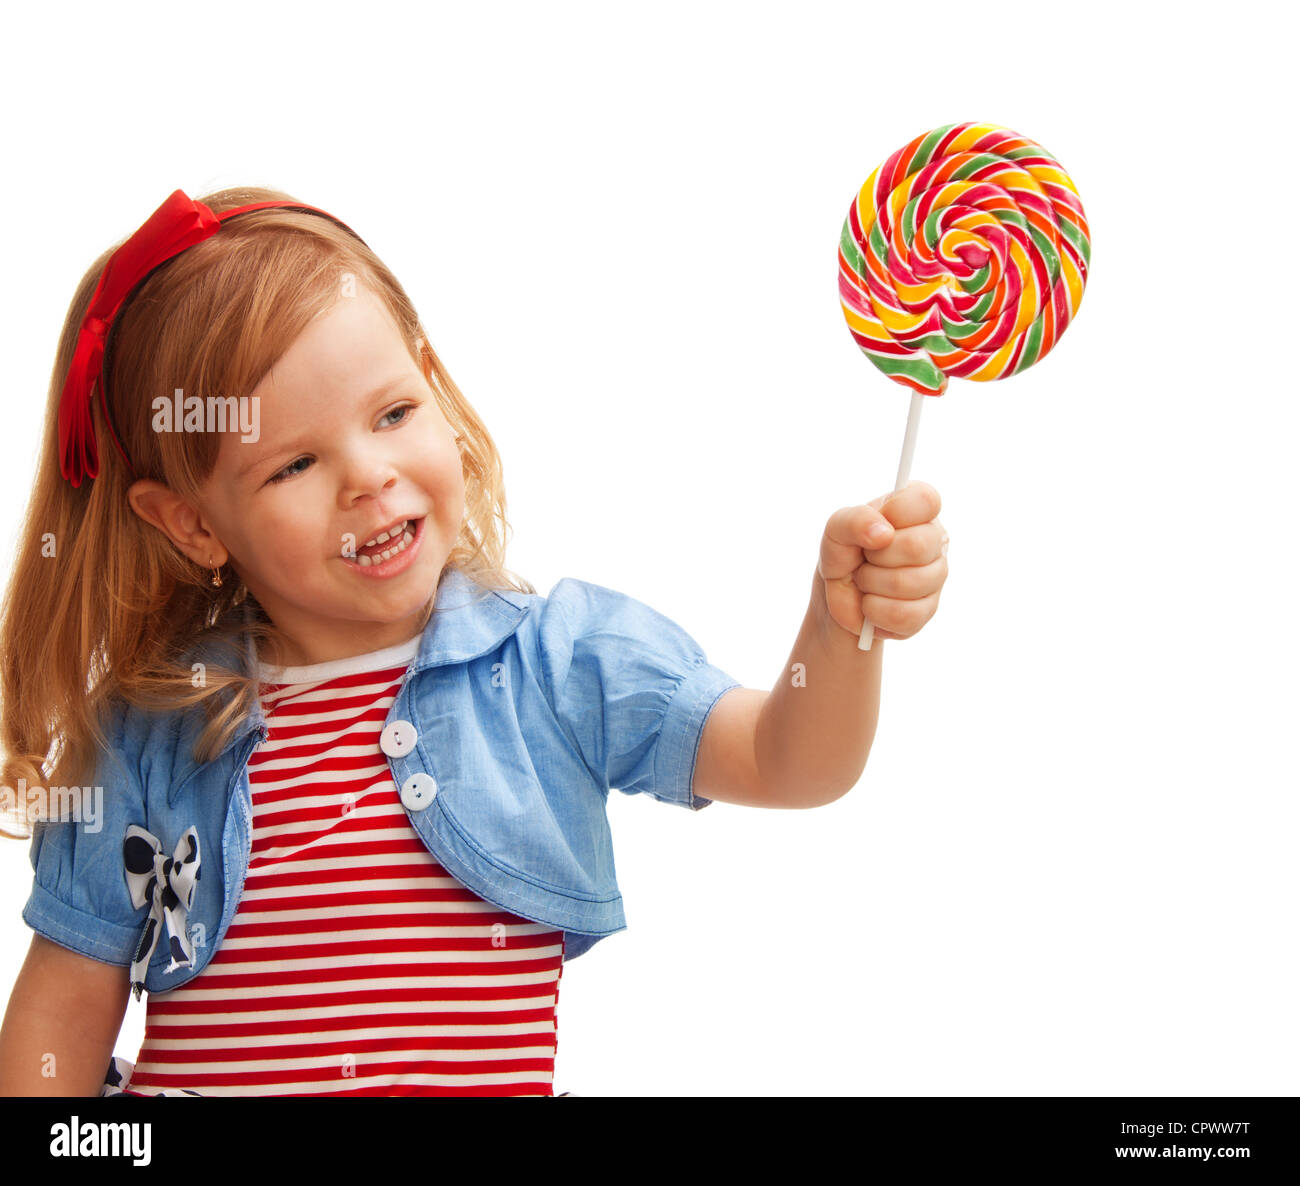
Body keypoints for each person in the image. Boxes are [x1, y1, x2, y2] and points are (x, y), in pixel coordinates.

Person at [0, 187, 947, 1097]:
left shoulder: (557, 663)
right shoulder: (151, 729)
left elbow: (792, 761)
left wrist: (838, 628)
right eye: (294, 462)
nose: (368, 476)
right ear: (193, 524)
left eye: (394, 414)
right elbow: (62, 1006)